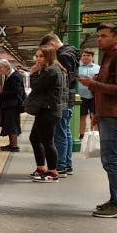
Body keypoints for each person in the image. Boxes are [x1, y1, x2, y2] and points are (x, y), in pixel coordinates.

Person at [77, 22, 117, 217]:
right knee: (111, 159)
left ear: (116, 37)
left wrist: (92, 84)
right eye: (99, 36)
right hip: (107, 114)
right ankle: (114, 199)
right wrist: (98, 114)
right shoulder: (108, 57)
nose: (99, 39)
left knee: (111, 159)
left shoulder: (116, 57)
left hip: (114, 116)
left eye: (104, 36)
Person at [23, 46, 65, 182]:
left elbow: (37, 87)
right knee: (35, 139)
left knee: (47, 142)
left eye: (41, 56)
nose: (38, 59)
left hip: (48, 111)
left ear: (49, 57)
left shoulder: (50, 71)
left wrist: (34, 73)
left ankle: (52, 172)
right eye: (37, 56)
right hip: (46, 110)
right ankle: (41, 168)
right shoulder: (51, 70)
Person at [40, 32, 79, 176]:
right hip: (68, 98)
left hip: (62, 100)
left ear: (52, 44)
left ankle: (61, 165)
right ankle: (66, 164)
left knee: (60, 134)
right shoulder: (71, 52)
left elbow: (63, 82)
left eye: (46, 50)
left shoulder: (62, 56)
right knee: (66, 132)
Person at [0, 60, 24, 151]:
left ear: (6, 67)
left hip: (13, 106)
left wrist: (2, 94)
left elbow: (16, 91)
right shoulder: (11, 76)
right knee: (10, 125)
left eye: (0, 68)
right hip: (10, 105)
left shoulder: (15, 76)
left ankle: (14, 146)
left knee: (12, 125)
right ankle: (11, 144)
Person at [77, 48, 100, 137]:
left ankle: (95, 135)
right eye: (84, 55)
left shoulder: (98, 68)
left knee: (95, 116)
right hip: (81, 96)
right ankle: (82, 135)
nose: (86, 57)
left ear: (92, 57)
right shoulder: (77, 67)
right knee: (82, 116)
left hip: (94, 96)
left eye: (88, 55)